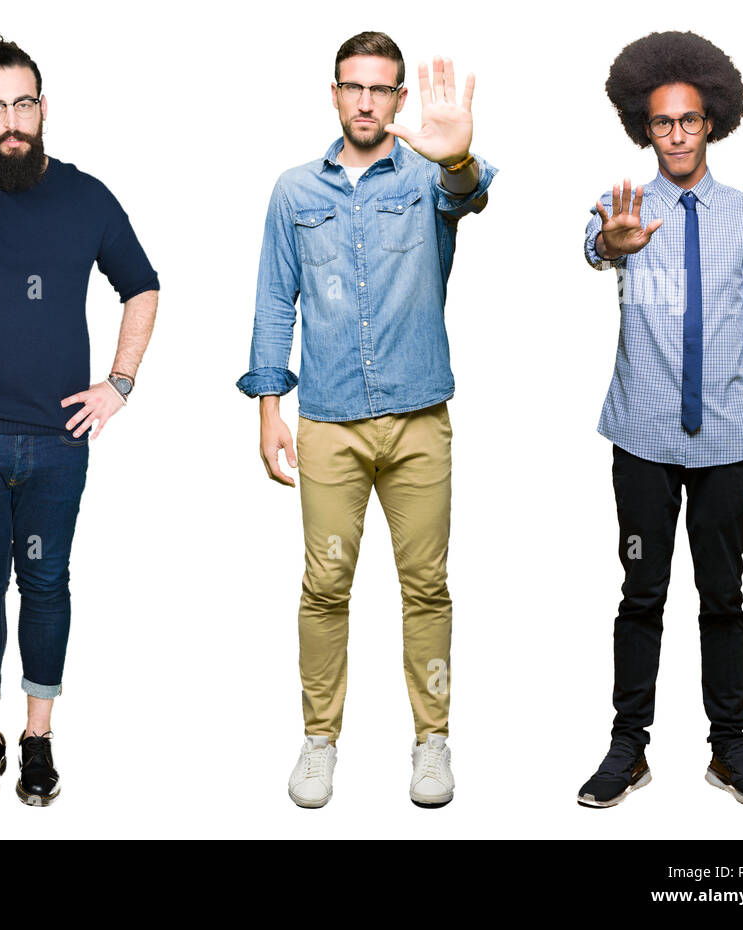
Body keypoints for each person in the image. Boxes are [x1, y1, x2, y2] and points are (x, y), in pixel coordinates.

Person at [237, 31, 495, 809]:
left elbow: (470, 192)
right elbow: (273, 299)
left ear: (400, 99)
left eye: (382, 89)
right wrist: (268, 411)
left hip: (419, 421)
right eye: (354, 86)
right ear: (335, 92)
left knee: (427, 585)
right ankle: (319, 741)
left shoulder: (428, 178)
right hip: (330, 426)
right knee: (325, 585)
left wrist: (456, 158)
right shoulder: (294, 192)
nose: (366, 101)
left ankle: (433, 739)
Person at [0, 34, 159, 808]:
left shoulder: (86, 196)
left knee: (46, 581)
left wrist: (119, 384)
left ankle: (37, 736)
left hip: (59, 439)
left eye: (23, 103)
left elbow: (142, 286)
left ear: (43, 110)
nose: (10, 119)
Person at [577, 31, 743, 810]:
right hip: (643, 439)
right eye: (662, 121)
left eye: (690, 120)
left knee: (724, 597)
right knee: (641, 594)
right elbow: (594, 247)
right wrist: (612, 243)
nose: (676, 133)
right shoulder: (622, 208)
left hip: (731, 443)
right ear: (644, 124)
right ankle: (627, 746)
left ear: (712, 123)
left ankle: (729, 748)